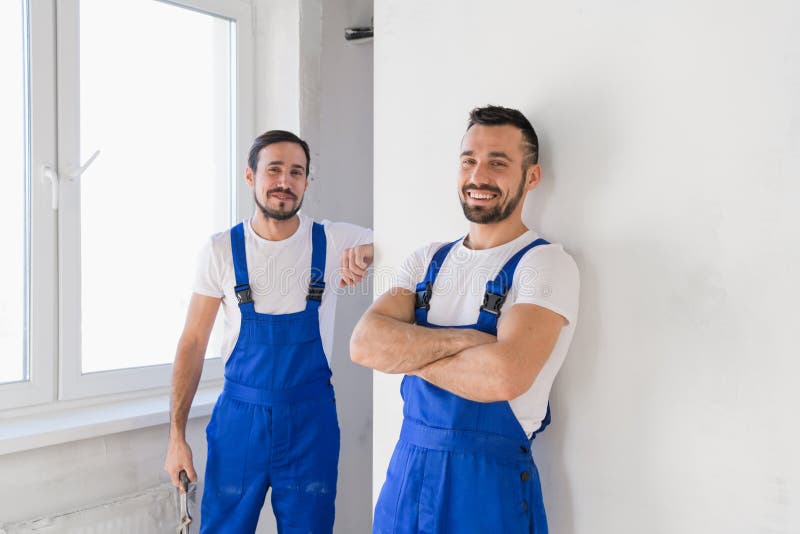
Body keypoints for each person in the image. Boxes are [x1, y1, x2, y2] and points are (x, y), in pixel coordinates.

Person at [351, 106, 579, 533]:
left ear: (531, 177)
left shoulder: (545, 264)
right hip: (405, 481)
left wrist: (406, 351)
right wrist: (468, 343)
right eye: (469, 160)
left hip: (487, 492)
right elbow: (364, 345)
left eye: (498, 163)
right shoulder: (427, 259)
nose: (478, 176)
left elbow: (504, 376)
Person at [164, 130, 373, 533]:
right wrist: (176, 437)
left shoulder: (332, 240)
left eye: (296, 172)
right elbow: (192, 343)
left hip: (310, 423)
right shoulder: (220, 250)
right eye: (274, 169)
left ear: (307, 182)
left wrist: (369, 252)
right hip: (239, 422)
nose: (285, 181)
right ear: (251, 176)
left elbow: (406, 244)